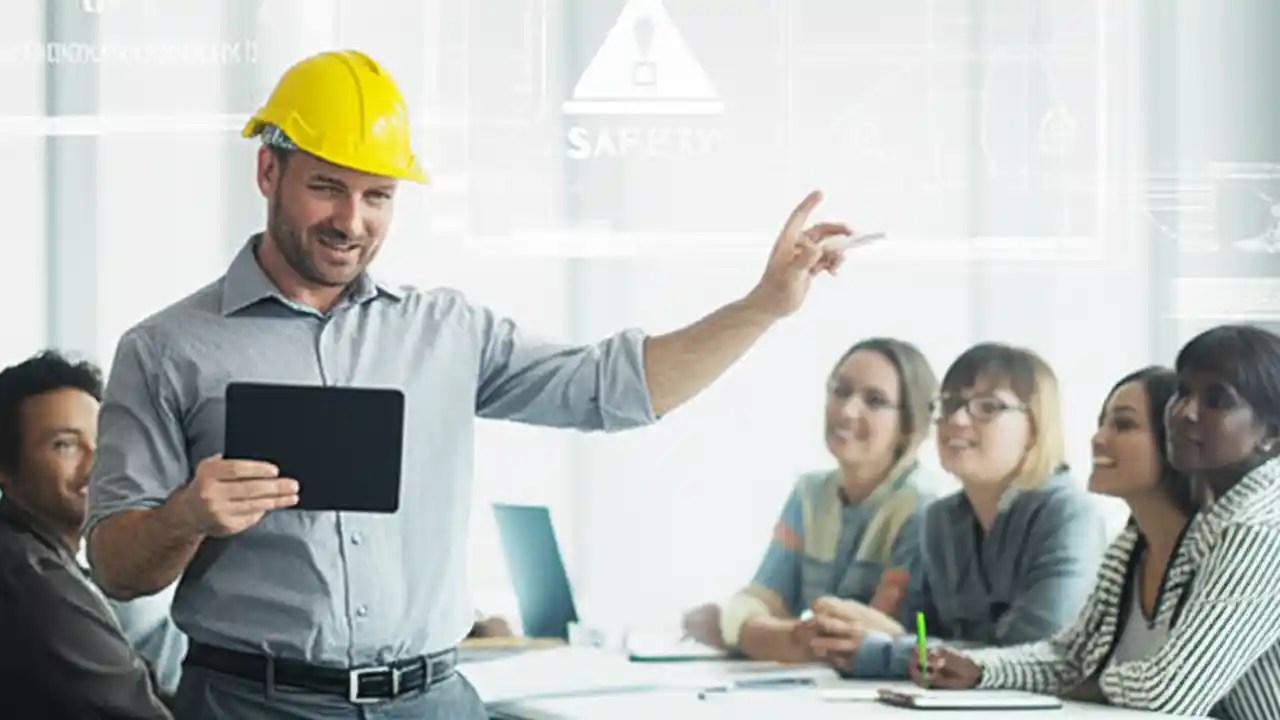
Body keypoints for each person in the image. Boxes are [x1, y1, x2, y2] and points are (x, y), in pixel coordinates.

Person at [81, 49, 862, 718]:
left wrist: (762, 307)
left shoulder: (448, 332)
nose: (352, 221)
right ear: (268, 170)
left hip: (432, 701)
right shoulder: (164, 349)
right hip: (251, 703)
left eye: (378, 196)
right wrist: (186, 515)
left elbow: (614, 388)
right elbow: (116, 564)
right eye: (326, 186)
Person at [917, 326, 1280, 719]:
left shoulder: (1258, 526)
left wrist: (1090, 681)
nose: (1184, 412)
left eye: (1216, 401)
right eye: (1183, 393)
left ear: (1272, 436)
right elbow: (1070, 657)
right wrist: (982, 670)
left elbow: (1170, 693)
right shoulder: (1153, 537)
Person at [819, 342, 1108, 677]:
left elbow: (1033, 656)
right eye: (950, 404)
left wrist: (887, 652)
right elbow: (916, 635)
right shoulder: (939, 520)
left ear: (1035, 427)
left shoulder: (1069, 516)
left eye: (987, 407)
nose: (956, 420)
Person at [681, 337, 944, 665]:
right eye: (840, 390)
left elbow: (857, 643)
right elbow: (757, 599)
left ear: (908, 425)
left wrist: (738, 632)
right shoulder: (809, 494)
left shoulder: (924, 510)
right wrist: (754, 626)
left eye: (874, 401)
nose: (847, 411)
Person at [0, 350, 172, 718]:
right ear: (5, 468)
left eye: (102, 440)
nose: (96, 462)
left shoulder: (45, 554)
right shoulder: (30, 576)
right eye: (65, 444)